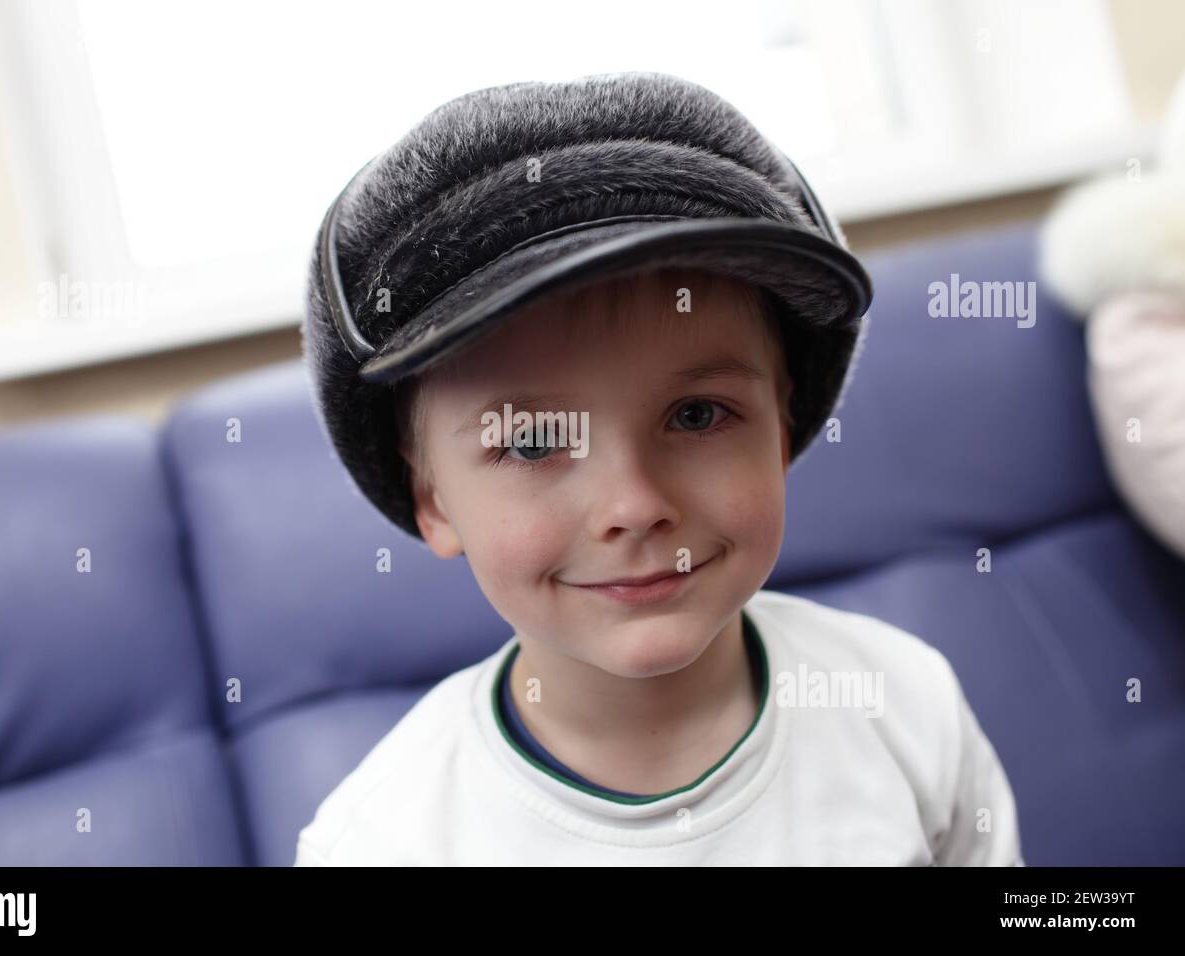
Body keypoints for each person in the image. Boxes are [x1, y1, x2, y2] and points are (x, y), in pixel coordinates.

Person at [294, 71, 1022, 865]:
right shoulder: (379, 842)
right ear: (430, 495)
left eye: (698, 415)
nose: (635, 505)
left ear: (781, 426)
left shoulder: (905, 703)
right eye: (534, 441)